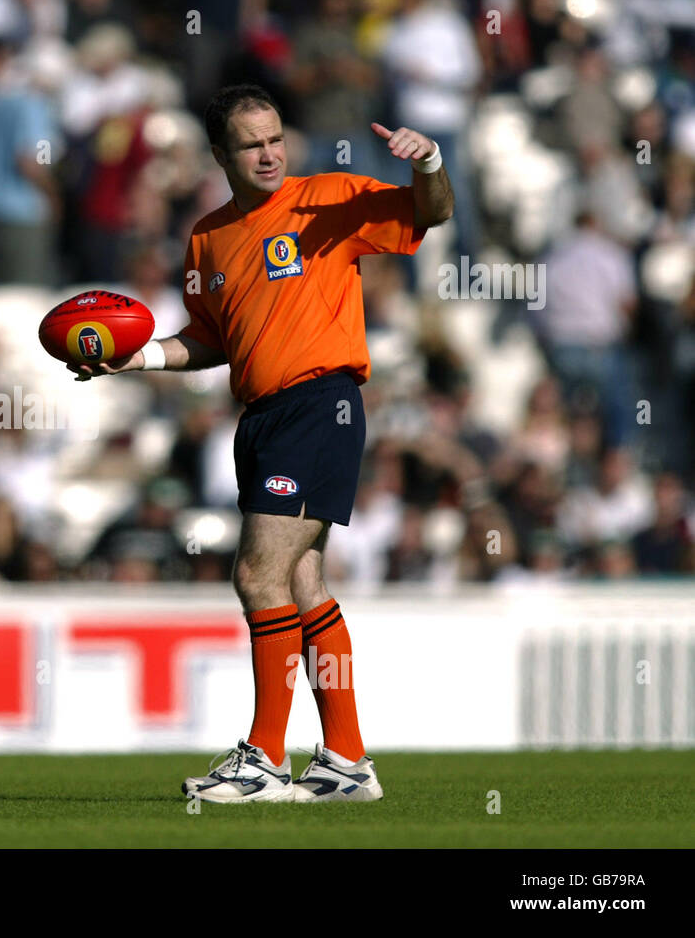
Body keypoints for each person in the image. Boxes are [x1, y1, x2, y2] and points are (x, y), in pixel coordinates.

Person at [68, 84, 453, 802]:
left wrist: (428, 161)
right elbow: (210, 339)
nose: (270, 153)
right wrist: (139, 357)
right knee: (303, 583)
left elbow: (429, 213)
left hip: (320, 404)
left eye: (275, 138)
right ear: (220, 155)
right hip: (261, 417)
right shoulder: (207, 238)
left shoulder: (329, 197)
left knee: (256, 578)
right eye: (251, 143)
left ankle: (264, 760)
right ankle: (345, 760)